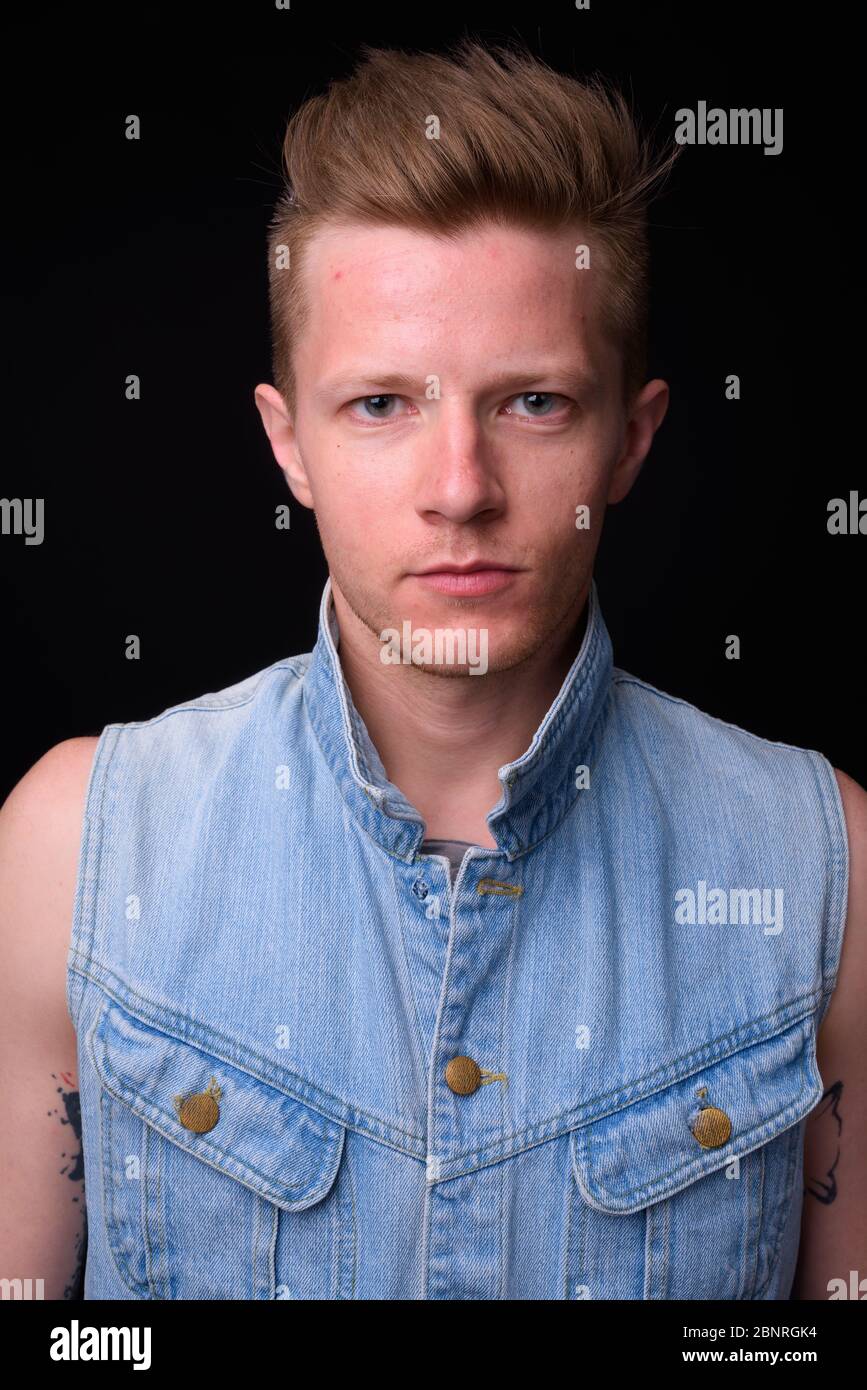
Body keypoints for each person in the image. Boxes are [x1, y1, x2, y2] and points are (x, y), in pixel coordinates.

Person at [1, 39, 864, 1302]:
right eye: (381, 406)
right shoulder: (72, 849)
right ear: (286, 443)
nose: (460, 490)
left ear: (634, 435)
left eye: (533, 404)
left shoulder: (827, 863)